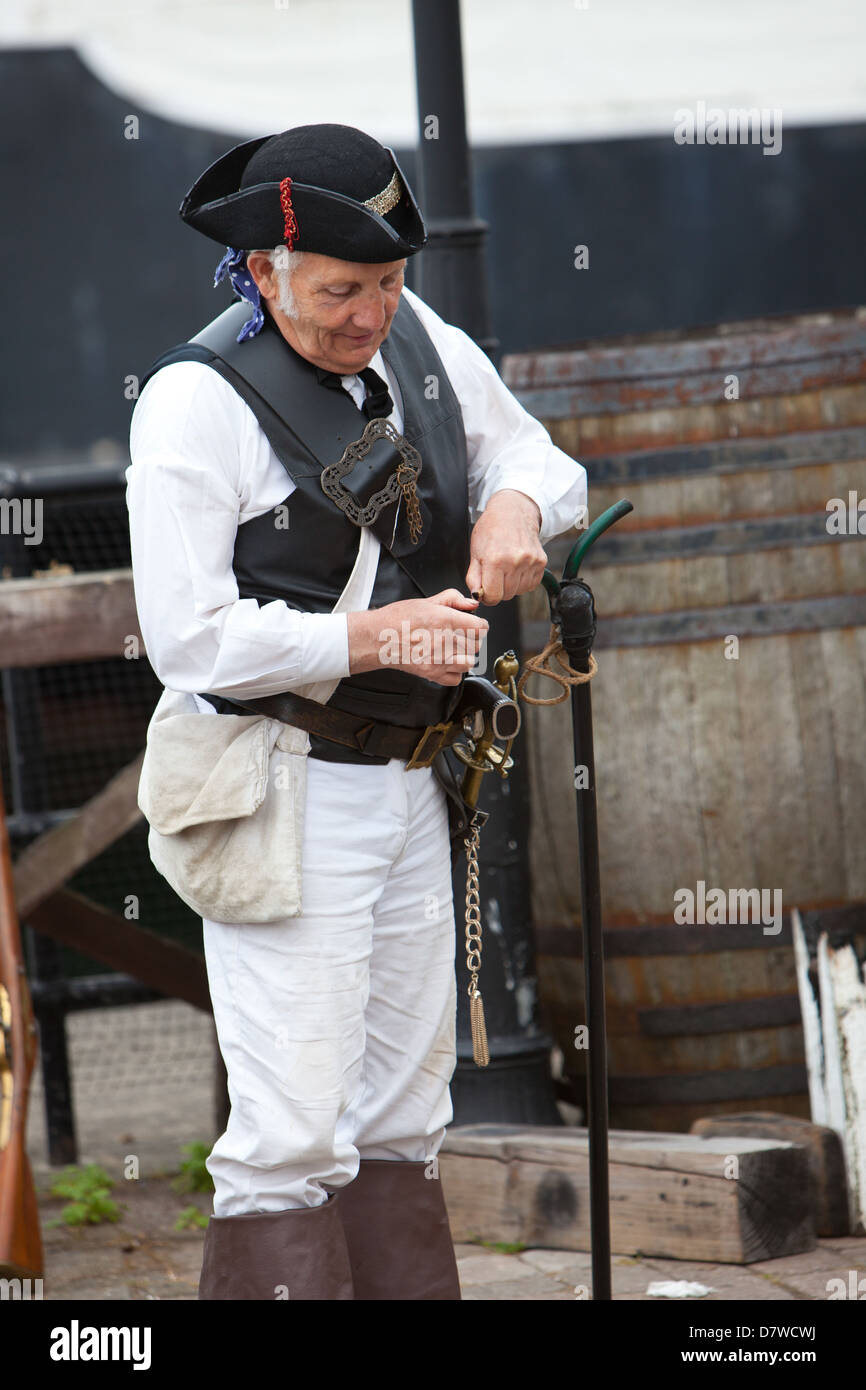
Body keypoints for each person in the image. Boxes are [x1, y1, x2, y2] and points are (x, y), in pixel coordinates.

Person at [126, 122, 586, 1300]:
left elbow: (530, 450)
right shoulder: (193, 403)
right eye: (341, 289)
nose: (370, 313)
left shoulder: (422, 341)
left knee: (400, 1112)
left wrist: (514, 509)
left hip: (413, 785)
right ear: (264, 271)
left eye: (387, 282)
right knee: (287, 1132)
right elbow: (189, 637)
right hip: (280, 780)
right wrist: (370, 637)